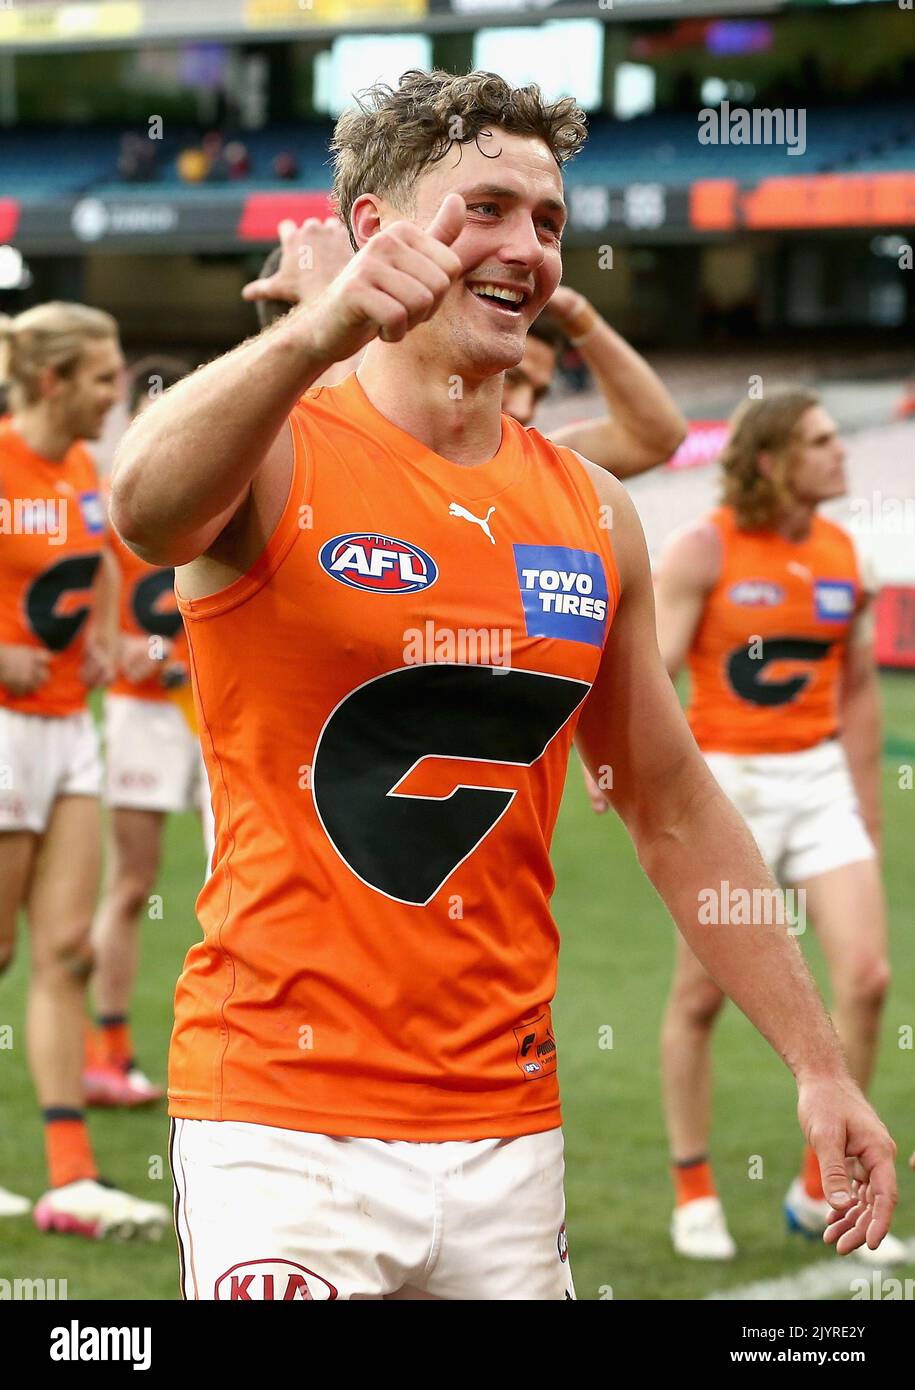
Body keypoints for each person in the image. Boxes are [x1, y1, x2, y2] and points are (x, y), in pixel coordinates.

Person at [112, 71, 896, 1300]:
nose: (526, 247)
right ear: (376, 232)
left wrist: (818, 1063)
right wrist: (316, 329)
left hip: (508, 1131)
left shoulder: (590, 511)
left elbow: (674, 804)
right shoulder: (279, 448)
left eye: (548, 222)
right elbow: (144, 506)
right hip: (281, 1121)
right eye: (485, 207)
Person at [649, 389, 905, 1263]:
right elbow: (654, 674)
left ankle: (816, 1189)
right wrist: (622, 767)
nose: (843, 454)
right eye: (821, 442)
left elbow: (861, 686)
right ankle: (691, 1187)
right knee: (701, 995)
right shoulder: (703, 546)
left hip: (819, 780)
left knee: (866, 979)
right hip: (729, 788)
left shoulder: (844, 551)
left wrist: (864, 804)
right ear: (770, 460)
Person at [0, 302, 169, 1237]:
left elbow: (104, 557)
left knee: (65, 950)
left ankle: (69, 1180)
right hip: (3, 725)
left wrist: (106, 637)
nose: (118, 396)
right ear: (54, 380)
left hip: (70, 730)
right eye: (104, 379)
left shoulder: (81, 471)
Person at [242, 213, 687, 478]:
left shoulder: (511, 468)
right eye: (514, 380)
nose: (527, 407)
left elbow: (655, 437)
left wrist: (576, 313)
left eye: (537, 391)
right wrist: (330, 303)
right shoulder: (252, 469)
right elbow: (363, 459)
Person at [84, 354, 208, 1108]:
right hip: (142, 711)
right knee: (130, 884)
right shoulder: (110, 499)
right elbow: (105, 616)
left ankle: (237, 1052)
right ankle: (109, 1052)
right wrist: (129, 649)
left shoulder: (218, 479)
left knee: (232, 884)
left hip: (219, 710)